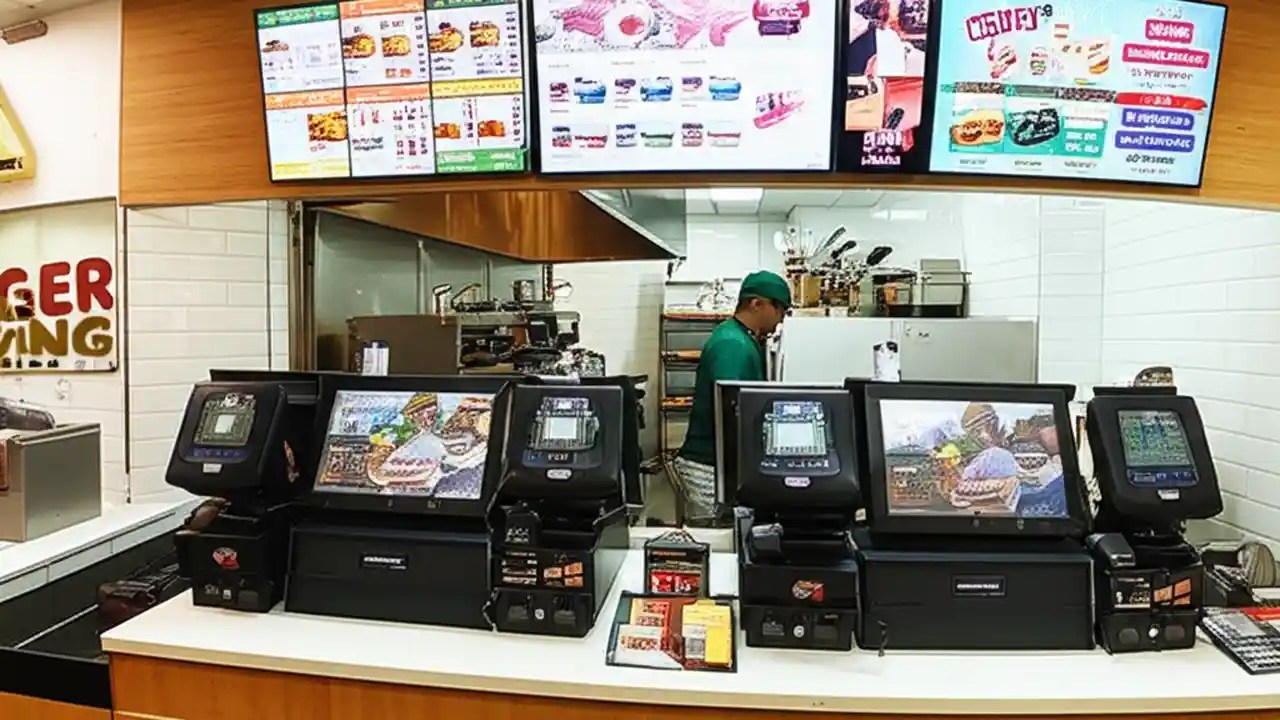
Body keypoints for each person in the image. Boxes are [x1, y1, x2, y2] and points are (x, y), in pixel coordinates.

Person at [674, 270, 792, 523]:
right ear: (757, 303)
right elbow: (731, 409)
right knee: (719, 541)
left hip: (719, 464)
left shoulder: (742, 338)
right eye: (780, 308)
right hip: (708, 467)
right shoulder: (733, 345)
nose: (781, 318)